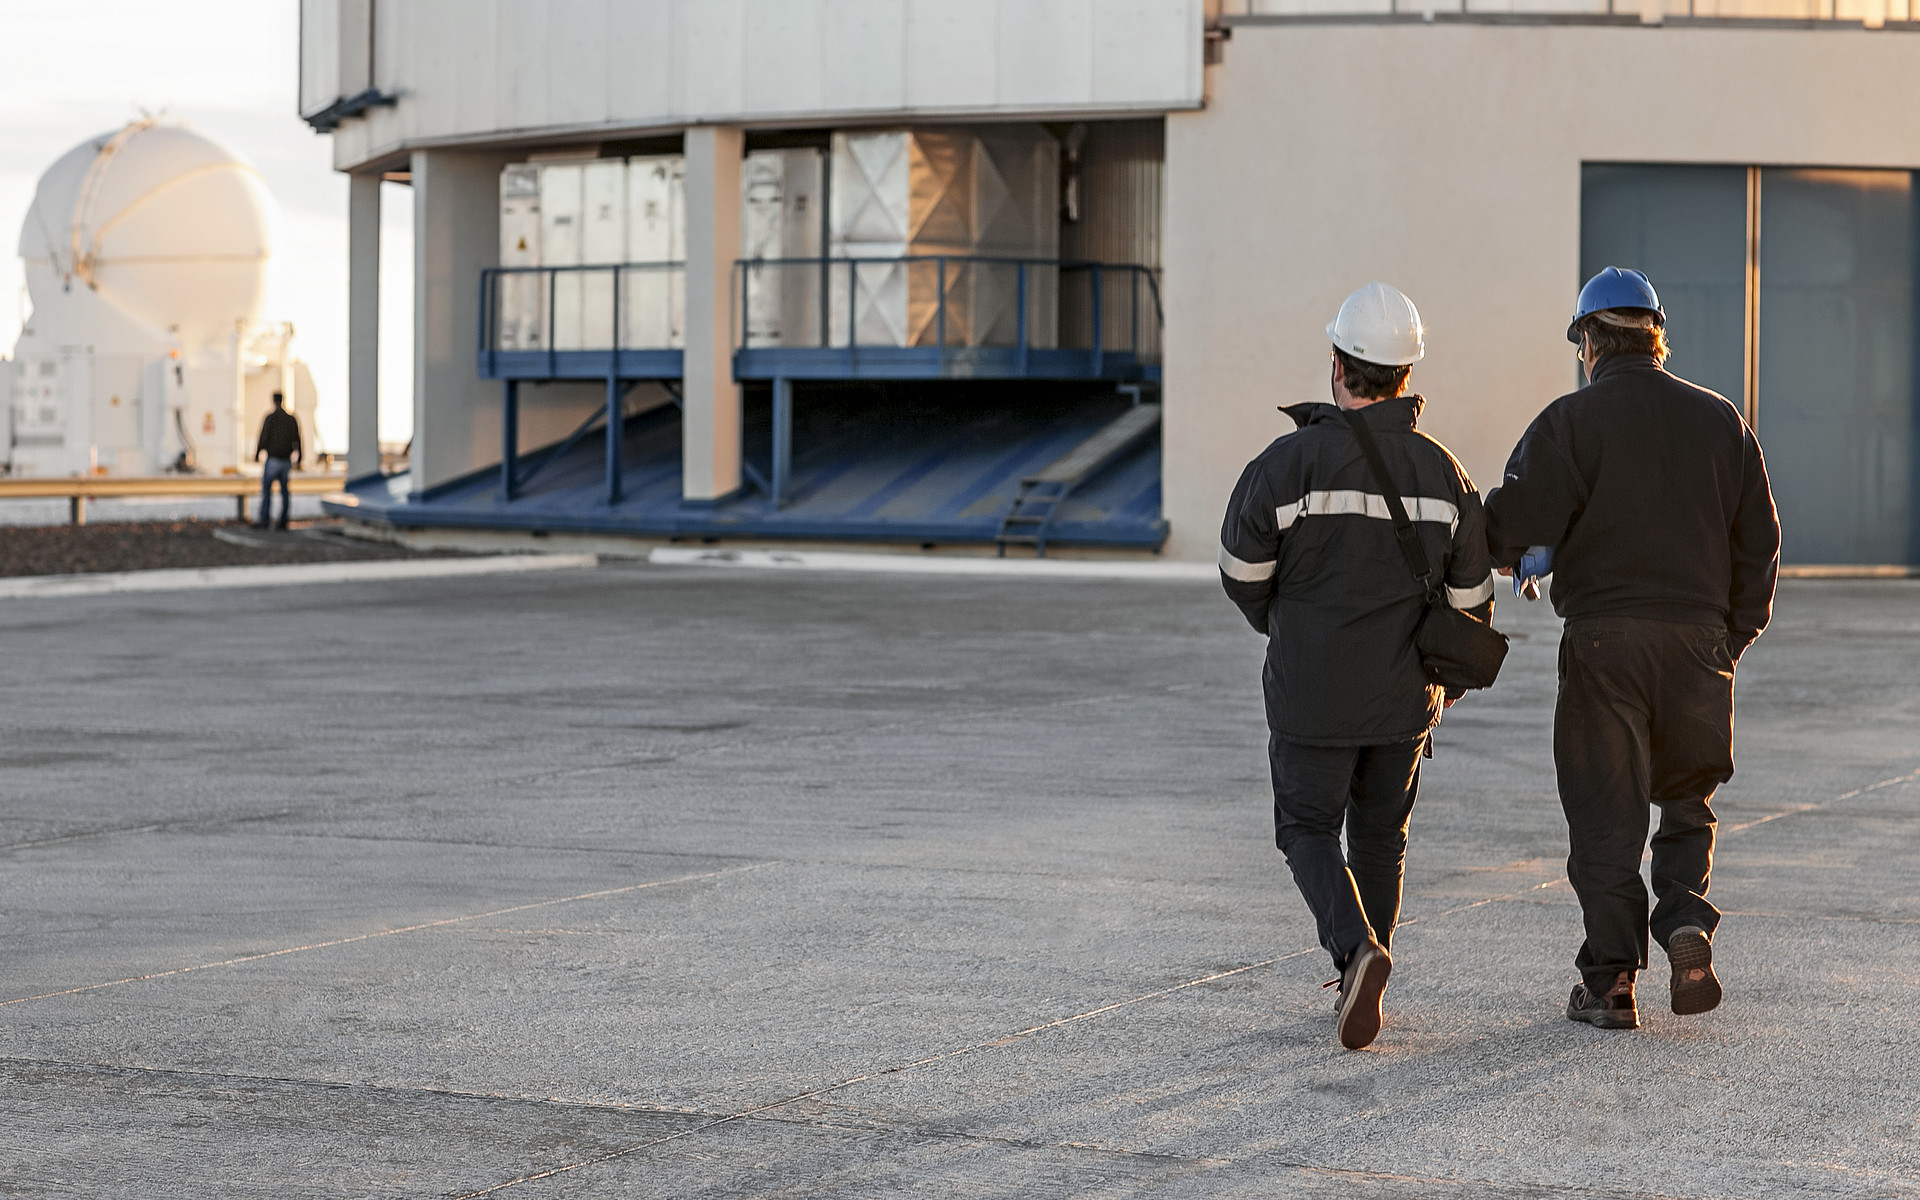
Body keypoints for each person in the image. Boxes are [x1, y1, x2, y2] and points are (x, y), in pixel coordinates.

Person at [1484, 267, 1779, 1031]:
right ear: (1657, 336)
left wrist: (1512, 546)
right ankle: (1684, 919)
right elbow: (1762, 542)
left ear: (1588, 341)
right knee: (1687, 796)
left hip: (1604, 643)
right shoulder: (1722, 421)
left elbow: (1511, 524)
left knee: (1606, 814)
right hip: (1698, 642)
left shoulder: (1569, 422)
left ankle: (1612, 982)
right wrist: (1731, 636)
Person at [1219, 283, 1495, 1050]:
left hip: (1309, 694)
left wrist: (1285, 625)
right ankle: (1363, 973)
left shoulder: (1288, 464)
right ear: (1407, 376)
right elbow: (1473, 599)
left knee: (1306, 826)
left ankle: (1355, 951)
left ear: (1338, 366)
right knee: (1380, 838)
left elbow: (1241, 573)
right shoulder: (1446, 474)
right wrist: (1439, 683)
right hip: (1404, 699)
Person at [254, 391, 302, 530]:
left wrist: (257, 453)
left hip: (273, 459)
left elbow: (263, 437)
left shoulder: (270, 418)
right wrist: (299, 457)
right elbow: (298, 439)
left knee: (267, 491)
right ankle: (283, 520)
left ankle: (265, 520)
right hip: (286, 460)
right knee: (285, 492)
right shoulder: (290, 419)